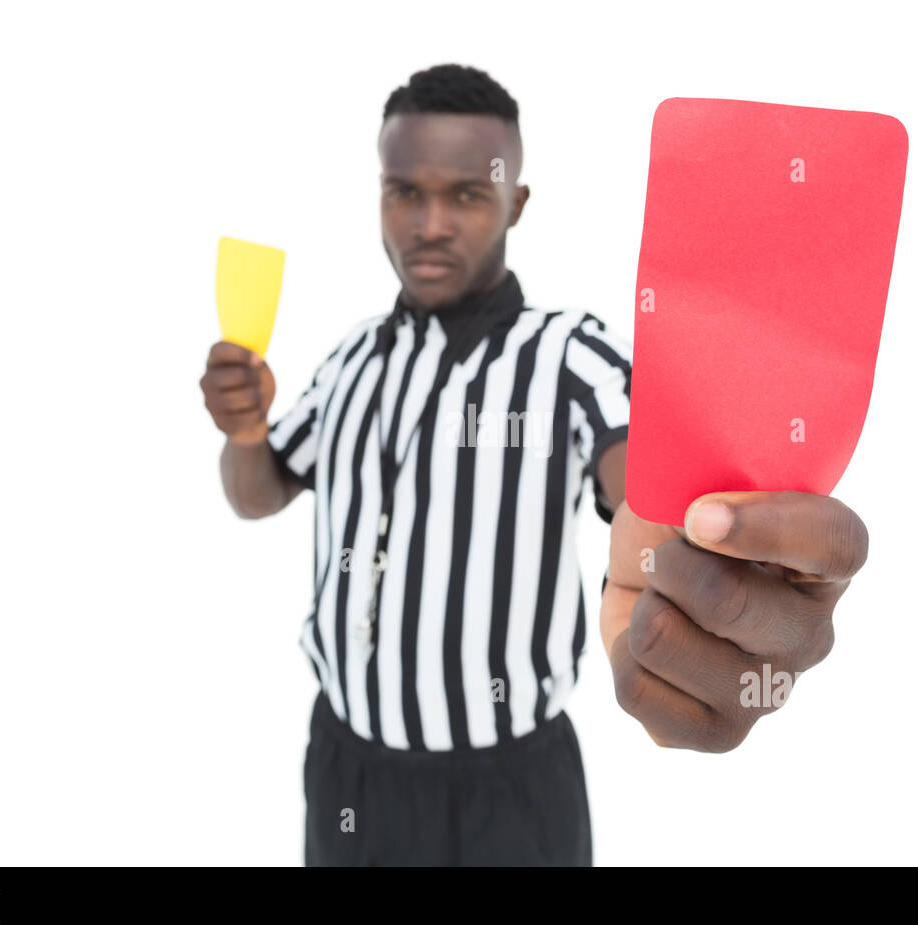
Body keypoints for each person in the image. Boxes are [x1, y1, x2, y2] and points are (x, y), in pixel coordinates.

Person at [200, 64, 870, 866]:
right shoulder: (348, 360)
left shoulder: (570, 357)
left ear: (515, 203)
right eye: (404, 192)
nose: (430, 223)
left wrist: (701, 550)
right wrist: (245, 430)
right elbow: (263, 490)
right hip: (348, 772)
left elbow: (640, 484)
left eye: (467, 194)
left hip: (510, 794)